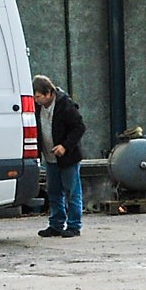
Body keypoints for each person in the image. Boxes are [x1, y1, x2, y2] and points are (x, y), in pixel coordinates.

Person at [34, 75, 86, 238]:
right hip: (50, 157)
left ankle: (74, 225)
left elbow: (79, 127)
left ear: (49, 93)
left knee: (72, 191)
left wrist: (65, 146)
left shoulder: (65, 105)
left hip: (67, 157)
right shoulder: (38, 107)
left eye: (39, 96)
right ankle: (56, 224)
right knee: (54, 191)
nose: (36, 100)